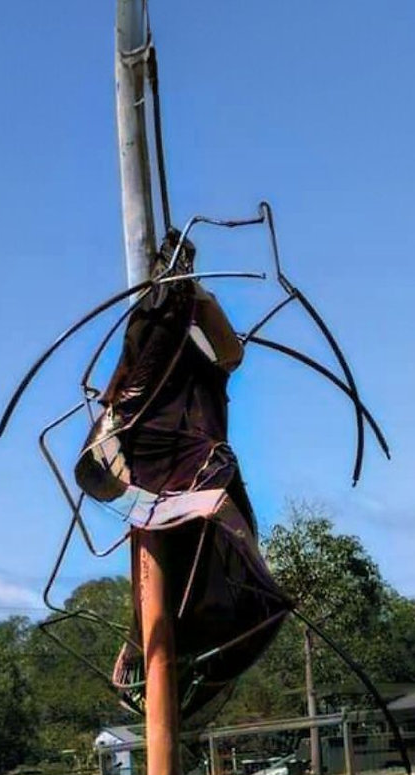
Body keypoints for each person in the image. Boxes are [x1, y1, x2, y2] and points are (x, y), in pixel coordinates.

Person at [75, 230, 291, 726]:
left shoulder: (184, 358)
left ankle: (172, 684)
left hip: (193, 493)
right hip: (172, 502)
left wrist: (195, 292)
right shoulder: (143, 363)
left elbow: (230, 354)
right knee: (185, 599)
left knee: (214, 597)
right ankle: (158, 673)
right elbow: (95, 467)